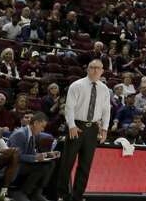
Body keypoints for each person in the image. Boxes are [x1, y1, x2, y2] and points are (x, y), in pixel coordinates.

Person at [56, 60, 111, 201]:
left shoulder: (104, 89)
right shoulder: (77, 85)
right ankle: (62, 195)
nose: (95, 70)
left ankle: (77, 196)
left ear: (102, 71)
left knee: (85, 165)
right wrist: (71, 125)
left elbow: (106, 111)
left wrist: (104, 129)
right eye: (92, 67)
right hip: (77, 126)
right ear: (87, 69)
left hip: (92, 128)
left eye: (98, 68)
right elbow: (69, 107)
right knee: (67, 162)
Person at [8, 113, 58, 201]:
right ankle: (24, 192)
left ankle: (37, 191)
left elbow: (30, 153)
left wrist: (48, 155)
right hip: (14, 165)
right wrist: (35, 158)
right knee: (41, 167)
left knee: (51, 164)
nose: (42, 130)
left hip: (23, 163)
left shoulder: (31, 133)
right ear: (35, 123)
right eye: (42, 127)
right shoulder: (21, 134)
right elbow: (16, 156)